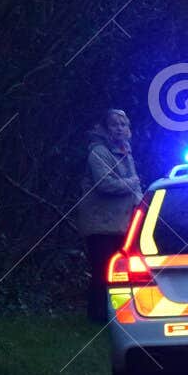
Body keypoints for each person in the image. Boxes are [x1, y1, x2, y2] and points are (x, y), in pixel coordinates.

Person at [78, 109, 142, 324]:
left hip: (122, 223)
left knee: (120, 272)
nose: (120, 128)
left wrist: (140, 206)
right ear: (105, 128)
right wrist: (133, 183)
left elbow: (135, 187)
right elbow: (105, 184)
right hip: (100, 223)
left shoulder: (125, 151)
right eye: (114, 124)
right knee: (102, 270)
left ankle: (117, 315)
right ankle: (97, 318)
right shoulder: (98, 152)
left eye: (123, 124)